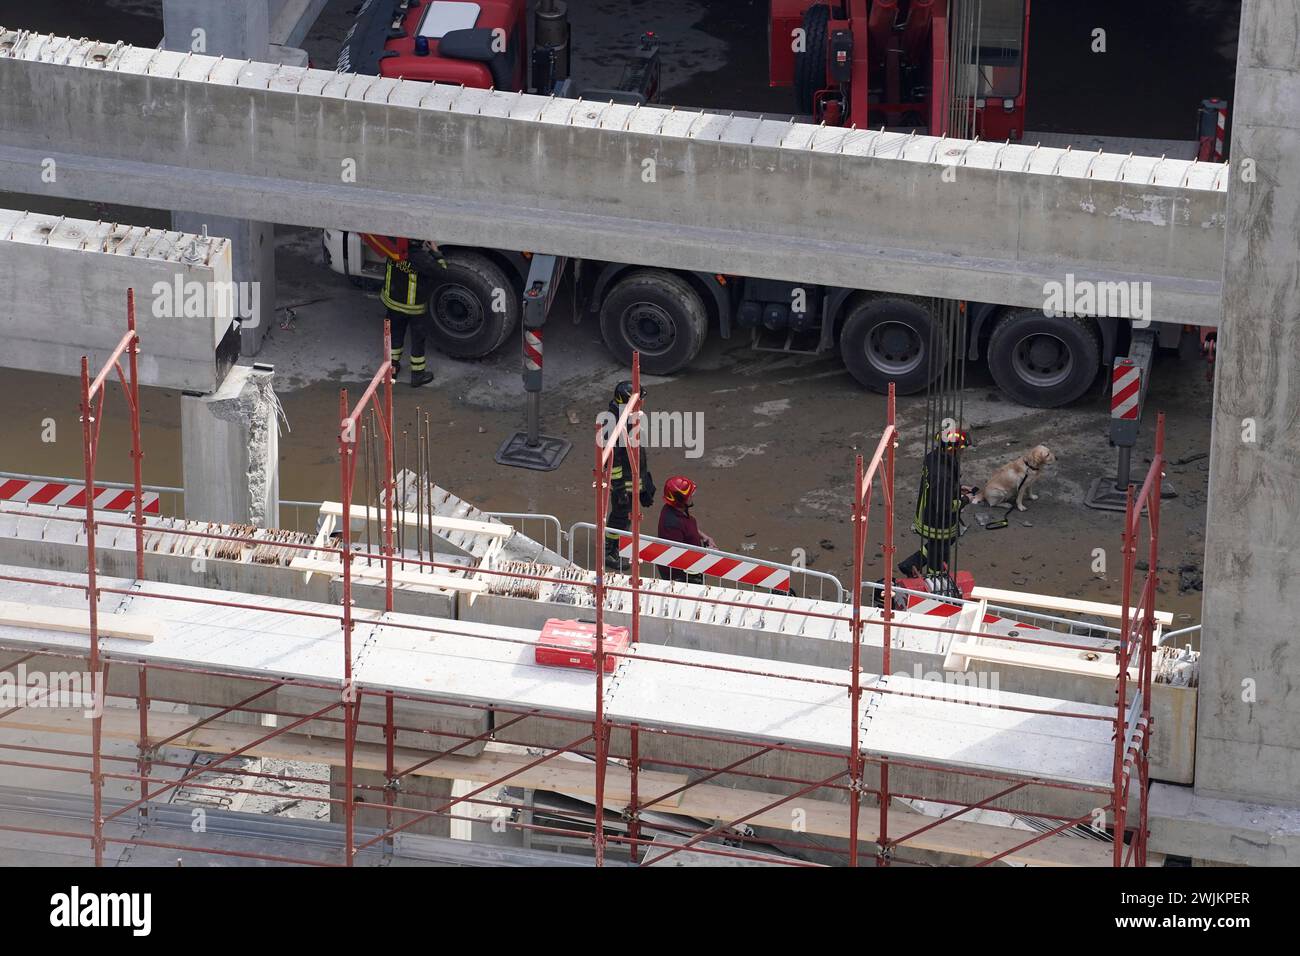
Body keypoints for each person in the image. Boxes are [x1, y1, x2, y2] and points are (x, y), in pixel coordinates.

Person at [362, 234, 446, 388]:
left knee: (395, 337)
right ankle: (417, 375)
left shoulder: (392, 250)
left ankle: (392, 369)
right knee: (417, 341)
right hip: (414, 308)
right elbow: (441, 272)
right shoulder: (420, 258)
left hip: (393, 304)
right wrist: (436, 252)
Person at [899, 427, 975, 577]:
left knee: (944, 542)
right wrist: (965, 500)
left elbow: (938, 489)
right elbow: (945, 506)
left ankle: (912, 564)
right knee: (939, 551)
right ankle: (935, 579)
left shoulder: (933, 457)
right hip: (936, 521)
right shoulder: (943, 474)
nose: (963, 452)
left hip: (927, 512)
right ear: (952, 450)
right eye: (961, 449)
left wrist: (956, 489)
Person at [604, 381, 656, 570]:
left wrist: (644, 483)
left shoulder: (627, 417)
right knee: (620, 515)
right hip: (623, 480)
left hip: (632, 474)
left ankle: (618, 544)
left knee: (626, 515)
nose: (642, 403)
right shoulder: (614, 424)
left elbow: (634, 452)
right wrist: (619, 489)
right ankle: (609, 551)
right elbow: (614, 461)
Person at [656, 476, 715, 583]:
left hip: (692, 566)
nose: (692, 497)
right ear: (680, 500)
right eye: (689, 496)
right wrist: (707, 556)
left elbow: (688, 527)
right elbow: (679, 557)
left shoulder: (676, 510)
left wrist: (703, 536)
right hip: (684, 576)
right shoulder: (672, 526)